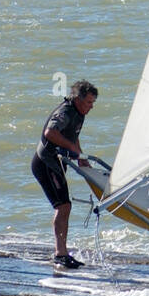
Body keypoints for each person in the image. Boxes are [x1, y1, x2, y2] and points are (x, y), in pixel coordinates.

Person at [31, 80, 97, 269]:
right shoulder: (66, 112)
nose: (91, 107)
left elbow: (72, 134)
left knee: (64, 206)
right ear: (77, 99)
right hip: (45, 162)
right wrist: (72, 150)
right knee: (63, 206)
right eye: (88, 103)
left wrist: (80, 157)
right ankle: (60, 254)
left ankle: (62, 252)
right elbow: (50, 132)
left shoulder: (79, 112)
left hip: (55, 162)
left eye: (93, 103)